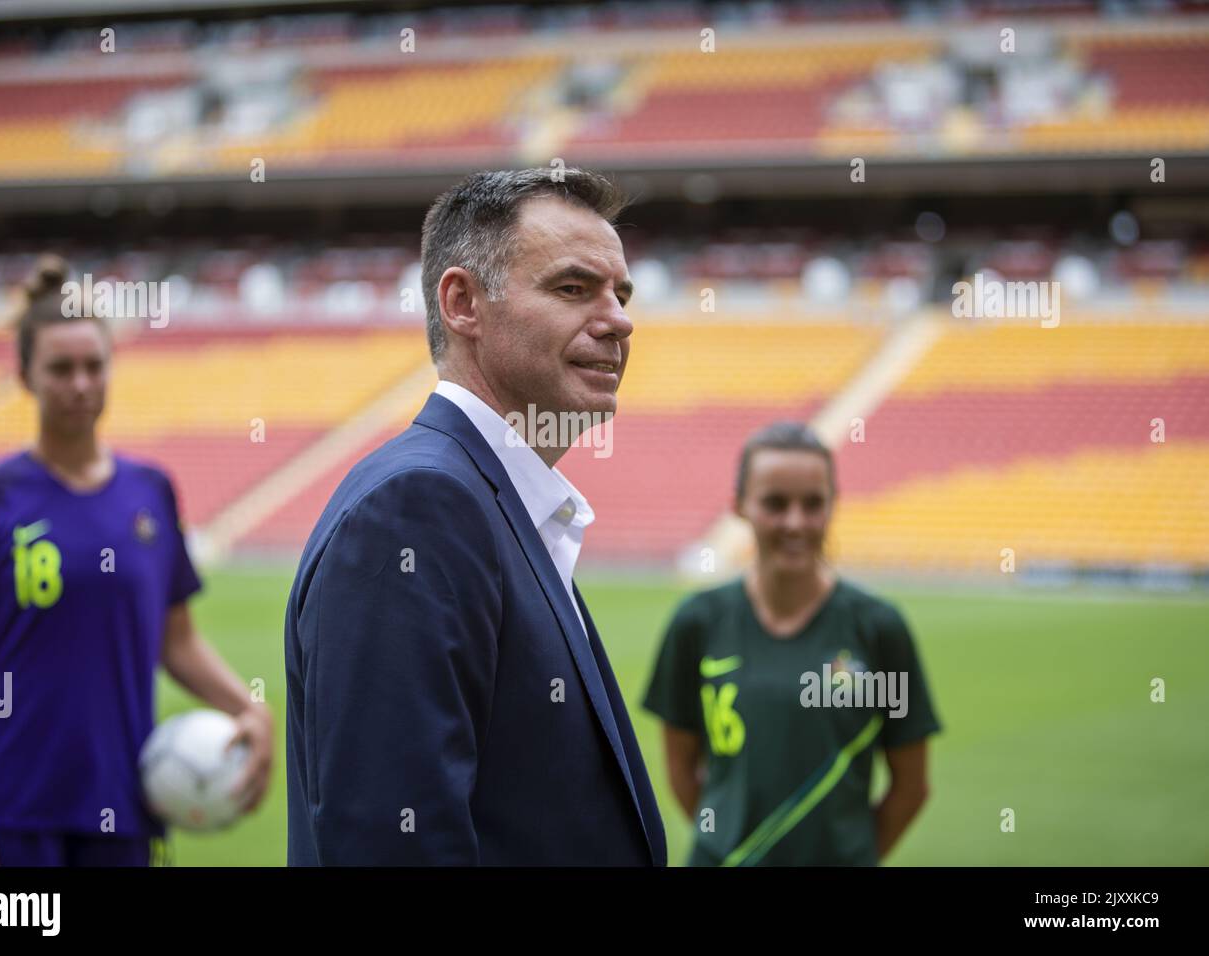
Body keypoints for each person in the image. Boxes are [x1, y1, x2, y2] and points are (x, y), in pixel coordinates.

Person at [285, 167, 666, 865]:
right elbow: (392, 843)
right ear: (463, 303)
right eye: (573, 288)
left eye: (622, 293)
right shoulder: (419, 508)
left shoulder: (488, 497)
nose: (619, 320)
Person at [0, 255, 274, 867]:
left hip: (125, 804)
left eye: (93, 366)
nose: (80, 383)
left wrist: (247, 706)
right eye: (60, 368)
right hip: (13, 809)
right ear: (26, 376)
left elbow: (178, 642)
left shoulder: (151, 491)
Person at [643, 421, 941, 866]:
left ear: (833, 505)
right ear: (740, 506)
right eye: (775, 504)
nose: (795, 522)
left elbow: (911, 787)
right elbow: (681, 769)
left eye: (813, 504)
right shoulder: (697, 623)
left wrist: (852, 856)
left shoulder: (879, 629)